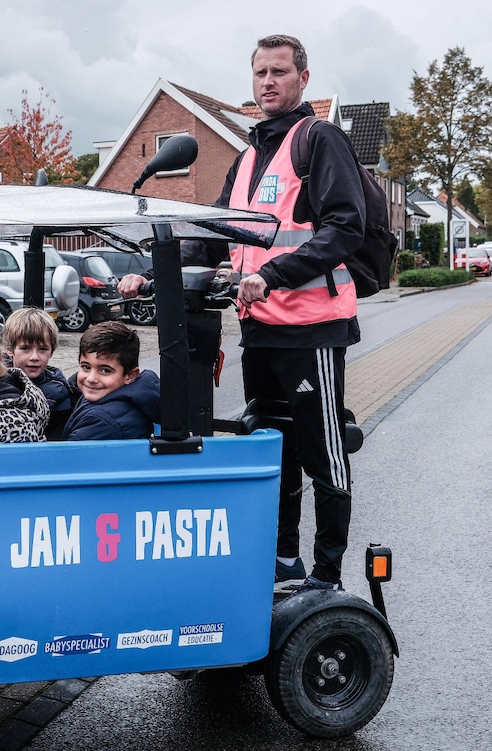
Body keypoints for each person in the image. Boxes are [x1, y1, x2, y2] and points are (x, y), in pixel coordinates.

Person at [121, 34, 363, 593]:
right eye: (260, 73)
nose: (268, 82)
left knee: (322, 451)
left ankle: (327, 578)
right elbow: (214, 237)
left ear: (303, 78)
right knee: (273, 447)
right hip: (261, 329)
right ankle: (285, 561)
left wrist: (272, 276)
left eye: (280, 71)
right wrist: (154, 274)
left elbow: (344, 228)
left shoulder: (319, 140)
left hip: (311, 328)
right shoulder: (248, 156)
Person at [62, 321, 160, 441]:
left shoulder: (101, 421)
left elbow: (72, 452)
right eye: (86, 367)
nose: (91, 379)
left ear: (130, 375)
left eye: (105, 370)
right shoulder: (105, 396)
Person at [2, 306, 72, 439]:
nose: (34, 357)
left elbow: (57, 438)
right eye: (25, 348)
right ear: (10, 349)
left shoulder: (57, 392)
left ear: (51, 352)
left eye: (42, 349)